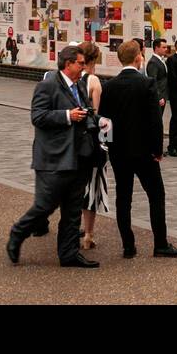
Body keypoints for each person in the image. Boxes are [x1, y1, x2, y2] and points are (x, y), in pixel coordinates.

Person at [6, 45, 98, 268]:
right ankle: (18, 234)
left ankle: (68, 255)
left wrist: (93, 120)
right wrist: (67, 115)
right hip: (53, 158)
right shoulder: (47, 85)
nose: (84, 67)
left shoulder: (80, 85)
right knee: (45, 206)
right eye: (81, 63)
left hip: (78, 157)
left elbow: (86, 111)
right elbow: (38, 116)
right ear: (68, 65)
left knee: (73, 208)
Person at [100, 40, 177, 259]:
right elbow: (155, 121)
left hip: (119, 152)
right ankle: (160, 243)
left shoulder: (109, 86)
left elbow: (103, 120)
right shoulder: (147, 83)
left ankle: (128, 245)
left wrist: (108, 146)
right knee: (156, 195)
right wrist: (157, 150)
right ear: (139, 57)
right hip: (144, 152)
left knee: (124, 197)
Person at [77, 42, 108, 251]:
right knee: (91, 188)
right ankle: (88, 233)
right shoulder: (93, 81)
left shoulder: (70, 78)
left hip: (73, 140)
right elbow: (95, 114)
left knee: (75, 186)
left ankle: (71, 227)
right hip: (90, 140)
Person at [146, 37, 169, 121]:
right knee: (156, 119)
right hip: (158, 96)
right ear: (156, 48)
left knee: (159, 118)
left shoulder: (161, 60)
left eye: (166, 47)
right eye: (164, 47)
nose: (166, 49)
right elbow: (153, 80)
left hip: (164, 93)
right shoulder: (153, 62)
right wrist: (159, 97)